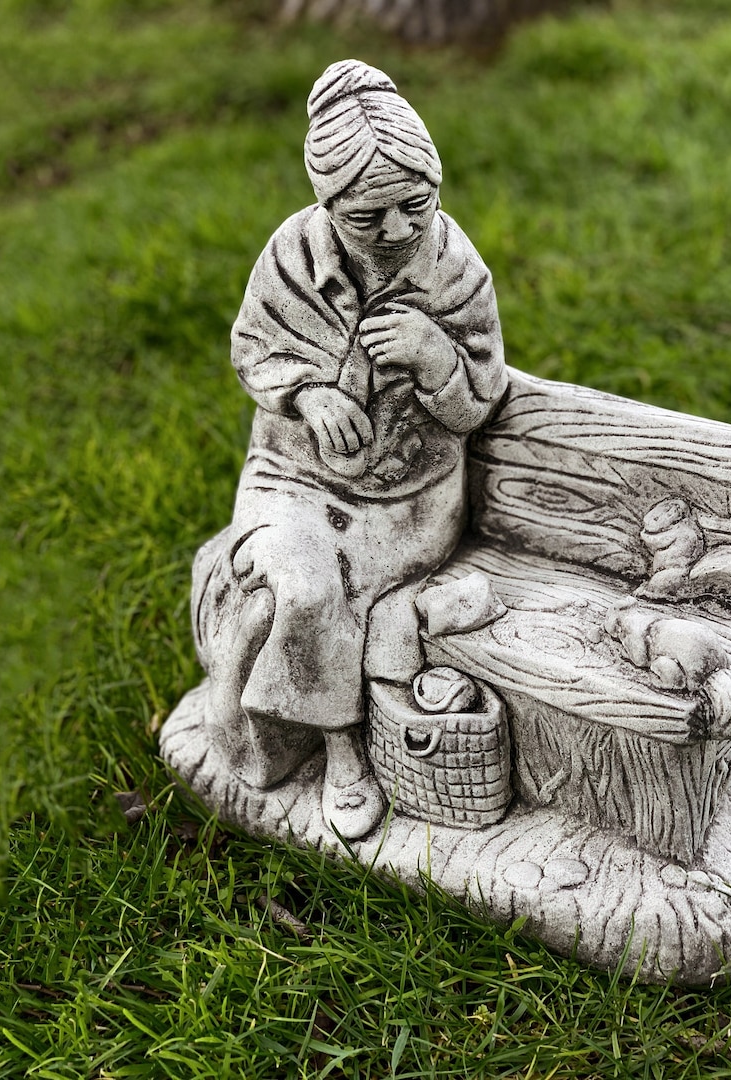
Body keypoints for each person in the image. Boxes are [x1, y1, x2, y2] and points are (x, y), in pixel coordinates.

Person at [191, 59, 507, 839]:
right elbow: (252, 348)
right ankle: (342, 750)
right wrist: (308, 394)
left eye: (415, 206)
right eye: (369, 218)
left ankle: (339, 739)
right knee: (302, 585)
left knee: (354, 587)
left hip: (408, 498)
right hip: (293, 479)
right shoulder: (291, 255)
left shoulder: (456, 269)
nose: (398, 231)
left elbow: (478, 402)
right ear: (327, 204)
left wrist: (435, 355)